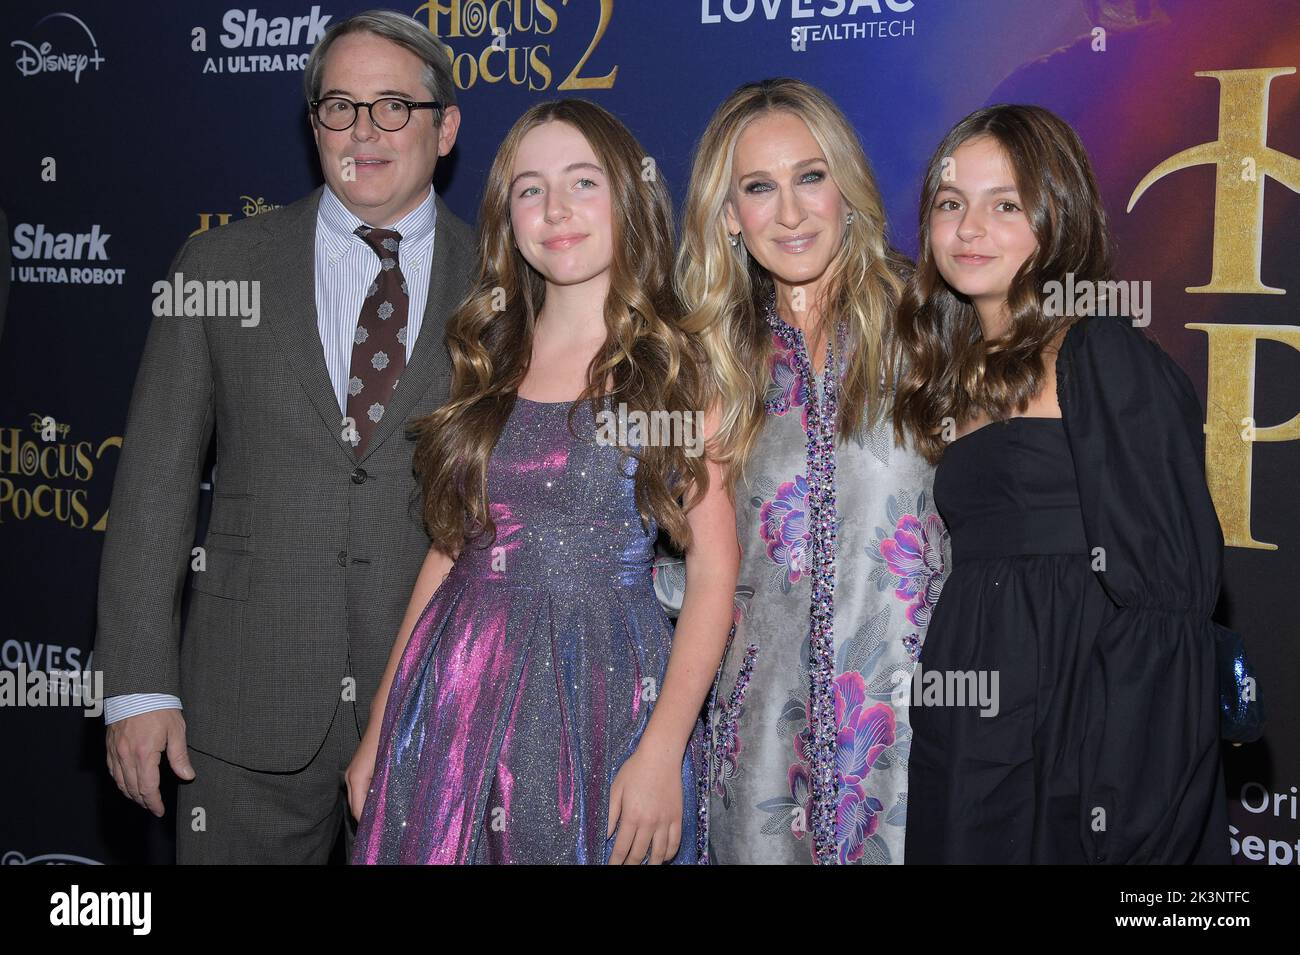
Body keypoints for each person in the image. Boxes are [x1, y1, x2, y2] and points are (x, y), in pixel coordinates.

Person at [96, 10, 475, 863]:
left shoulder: (502, 286)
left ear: (444, 127)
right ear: (314, 126)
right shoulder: (220, 266)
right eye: (339, 107)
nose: (363, 132)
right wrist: (136, 687)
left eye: (393, 107)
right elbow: (152, 486)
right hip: (241, 705)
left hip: (433, 704)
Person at [347, 99, 737, 864]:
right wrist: (380, 729)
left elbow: (715, 571)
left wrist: (663, 749)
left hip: (602, 699)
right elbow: (448, 552)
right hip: (454, 696)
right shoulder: (486, 360)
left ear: (628, 195)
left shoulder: (675, 370)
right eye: (530, 189)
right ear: (507, 216)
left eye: (582, 182)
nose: (555, 209)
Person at [893, 104, 1230, 863]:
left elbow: (1170, 604)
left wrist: (1137, 812)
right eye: (951, 204)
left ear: (1058, 217)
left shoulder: (1098, 351)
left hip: (1081, 729)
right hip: (978, 721)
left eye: (1005, 204)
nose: (969, 228)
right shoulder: (957, 376)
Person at [676, 78, 948, 865]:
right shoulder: (710, 360)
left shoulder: (930, 323)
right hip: (760, 752)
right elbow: (698, 572)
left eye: (810, 176)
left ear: (847, 186)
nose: (790, 212)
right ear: (729, 215)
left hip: (913, 735)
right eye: (759, 187)